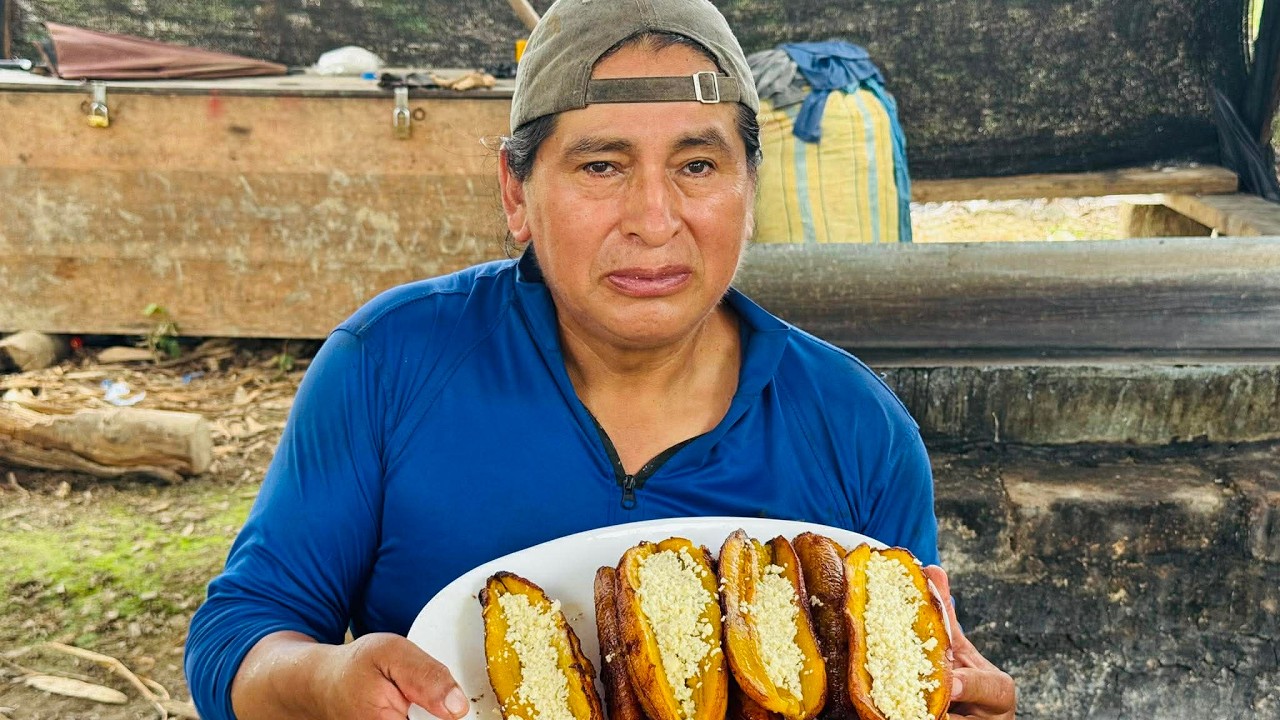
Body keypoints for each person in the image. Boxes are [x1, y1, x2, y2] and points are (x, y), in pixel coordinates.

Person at [184, 1, 1016, 719]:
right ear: (516, 194)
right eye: (600, 165)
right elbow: (239, 637)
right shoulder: (390, 366)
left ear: (751, 189)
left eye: (697, 165)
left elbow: (904, 667)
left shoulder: (857, 431)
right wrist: (327, 682)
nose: (654, 220)